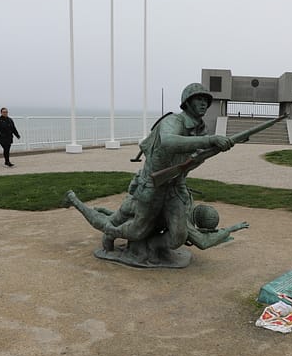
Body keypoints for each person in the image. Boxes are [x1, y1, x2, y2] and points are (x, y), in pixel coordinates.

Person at [65, 83, 235, 258]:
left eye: (206, 100)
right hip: (153, 185)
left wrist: (210, 150)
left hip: (175, 187)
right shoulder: (173, 121)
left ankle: (152, 247)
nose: (204, 103)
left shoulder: (200, 130)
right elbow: (168, 142)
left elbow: (191, 159)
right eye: (199, 99)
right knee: (137, 230)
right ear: (187, 102)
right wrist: (210, 141)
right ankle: (110, 232)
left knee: (178, 236)